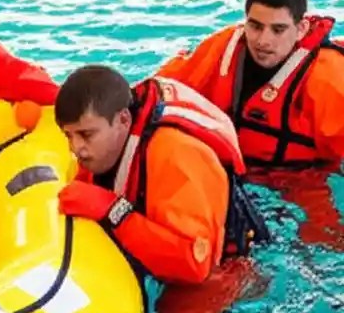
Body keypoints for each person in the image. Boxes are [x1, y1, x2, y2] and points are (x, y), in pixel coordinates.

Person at [55, 65, 264, 285]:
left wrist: (114, 211)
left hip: (228, 268)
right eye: (68, 136)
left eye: (86, 134)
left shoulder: (177, 155)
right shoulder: (104, 143)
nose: (76, 148)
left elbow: (196, 265)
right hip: (168, 235)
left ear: (124, 120)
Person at [156, 0, 344, 167]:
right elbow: (154, 96)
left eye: (278, 30)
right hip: (227, 171)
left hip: (303, 182)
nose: (263, 41)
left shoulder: (329, 78)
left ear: (301, 29)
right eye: (255, 26)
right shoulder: (222, 48)